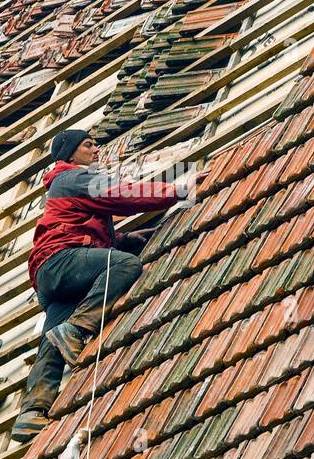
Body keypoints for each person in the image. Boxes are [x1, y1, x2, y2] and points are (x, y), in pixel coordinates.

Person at [13, 128, 195, 441]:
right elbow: (120, 194)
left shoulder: (64, 187)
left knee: (51, 343)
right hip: (62, 261)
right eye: (88, 145)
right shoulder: (72, 177)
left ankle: (32, 412)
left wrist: (122, 239)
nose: (96, 150)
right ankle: (76, 330)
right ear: (70, 154)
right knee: (124, 265)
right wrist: (176, 191)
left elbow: (80, 227)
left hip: (51, 276)